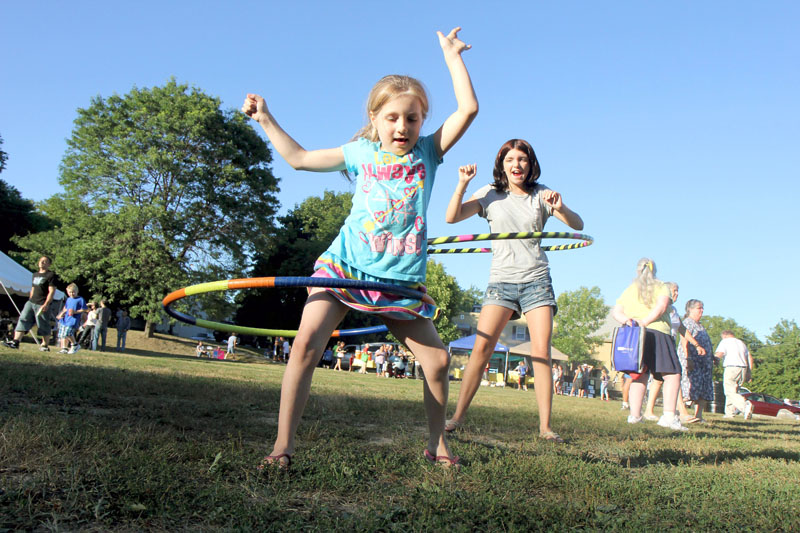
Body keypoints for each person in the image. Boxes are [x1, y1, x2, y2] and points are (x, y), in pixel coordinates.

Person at [242, 26, 478, 470]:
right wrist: (266, 119)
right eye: (392, 118)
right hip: (345, 265)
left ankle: (437, 443)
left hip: (397, 280)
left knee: (439, 360)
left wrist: (452, 57)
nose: (402, 127)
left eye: (412, 118)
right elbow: (299, 158)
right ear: (374, 119)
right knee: (307, 343)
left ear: (422, 121)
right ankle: (282, 446)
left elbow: (468, 108)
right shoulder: (359, 153)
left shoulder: (428, 153)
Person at [442, 139, 583, 443]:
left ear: (530, 164)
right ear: (502, 164)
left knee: (541, 352)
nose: (516, 165)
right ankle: (456, 417)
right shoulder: (489, 194)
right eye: (510, 160)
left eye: (522, 159)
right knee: (481, 349)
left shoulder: (543, 194)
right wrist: (462, 184)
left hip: (536, 280)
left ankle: (546, 428)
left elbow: (578, 224)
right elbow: (451, 217)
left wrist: (562, 208)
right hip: (501, 281)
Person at [612, 258, 688, 431]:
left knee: (639, 375)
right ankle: (669, 416)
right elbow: (662, 307)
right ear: (655, 271)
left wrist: (630, 321)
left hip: (636, 334)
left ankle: (635, 416)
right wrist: (645, 321)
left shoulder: (630, 290)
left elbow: (616, 311)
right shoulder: (661, 286)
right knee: (672, 374)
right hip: (658, 332)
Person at [643, 282, 697, 423]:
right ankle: (679, 413)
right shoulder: (660, 305)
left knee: (660, 380)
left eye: (678, 291)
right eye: (674, 290)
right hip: (658, 340)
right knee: (673, 376)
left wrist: (696, 344)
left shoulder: (673, 309)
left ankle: (649, 411)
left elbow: (682, 329)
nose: (676, 293)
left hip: (669, 342)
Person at [4, 256, 57, 351]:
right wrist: (30, 299)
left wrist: (46, 304)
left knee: (43, 323)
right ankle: (16, 342)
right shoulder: (35, 275)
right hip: (31, 302)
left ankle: (44, 345)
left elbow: (51, 291)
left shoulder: (50, 275)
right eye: (41, 261)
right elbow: (33, 288)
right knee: (23, 319)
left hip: (42, 303)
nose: (42, 263)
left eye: (45, 262)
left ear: (49, 264)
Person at [679, 299, 714, 423]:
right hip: (692, 362)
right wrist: (688, 358)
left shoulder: (700, 326)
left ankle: (699, 416)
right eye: (699, 308)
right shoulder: (688, 323)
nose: (702, 311)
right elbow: (684, 341)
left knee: (703, 390)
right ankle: (681, 413)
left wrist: (712, 357)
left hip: (704, 364)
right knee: (689, 388)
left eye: (702, 308)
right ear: (690, 310)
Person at [714, 330, 755, 419]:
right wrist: (749, 373)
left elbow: (720, 354)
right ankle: (729, 414)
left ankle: (745, 406)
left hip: (731, 367)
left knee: (729, 391)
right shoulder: (741, 343)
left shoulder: (725, 341)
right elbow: (750, 358)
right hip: (743, 368)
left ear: (724, 335)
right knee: (734, 391)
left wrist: (714, 360)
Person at [55, 283, 86, 354]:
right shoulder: (68, 299)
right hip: (65, 319)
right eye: (70, 292)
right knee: (62, 334)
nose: (72, 294)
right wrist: (61, 314)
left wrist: (75, 312)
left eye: (73, 292)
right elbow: (65, 308)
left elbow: (84, 309)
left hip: (73, 319)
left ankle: (75, 344)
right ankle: (64, 348)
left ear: (77, 291)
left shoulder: (80, 299)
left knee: (68, 332)